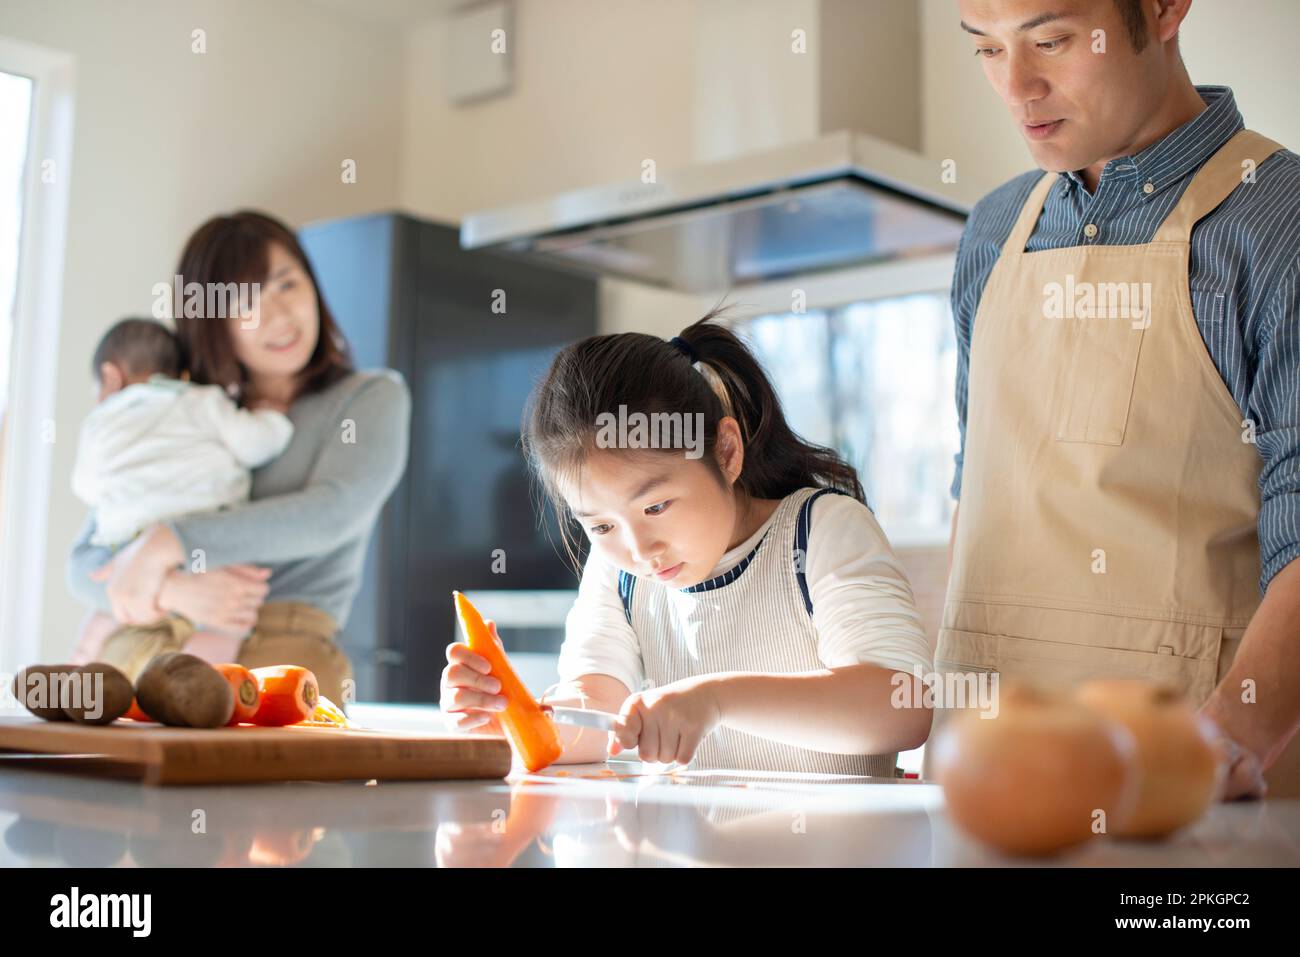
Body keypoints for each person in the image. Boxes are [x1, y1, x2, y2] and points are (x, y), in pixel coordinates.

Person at [938, 0, 1299, 797]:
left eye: (1053, 41)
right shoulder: (993, 232)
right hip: (981, 779)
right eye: (987, 51)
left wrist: (1226, 743)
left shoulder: (1278, 222)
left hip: (1196, 794)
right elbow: (979, 491)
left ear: (1166, 9)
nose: (1018, 87)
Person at [441, 312, 934, 772]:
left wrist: (716, 700)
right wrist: (510, 720)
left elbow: (901, 708)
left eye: (656, 507)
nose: (640, 550)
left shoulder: (821, 529)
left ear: (726, 452)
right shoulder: (618, 570)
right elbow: (597, 716)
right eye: (601, 526)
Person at [67, 211, 411, 706]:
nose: (278, 315)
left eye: (287, 285)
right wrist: (168, 592)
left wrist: (169, 543)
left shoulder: (370, 397)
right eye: (245, 302)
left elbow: (332, 512)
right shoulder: (189, 410)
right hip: (158, 637)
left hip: (285, 644)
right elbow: (85, 562)